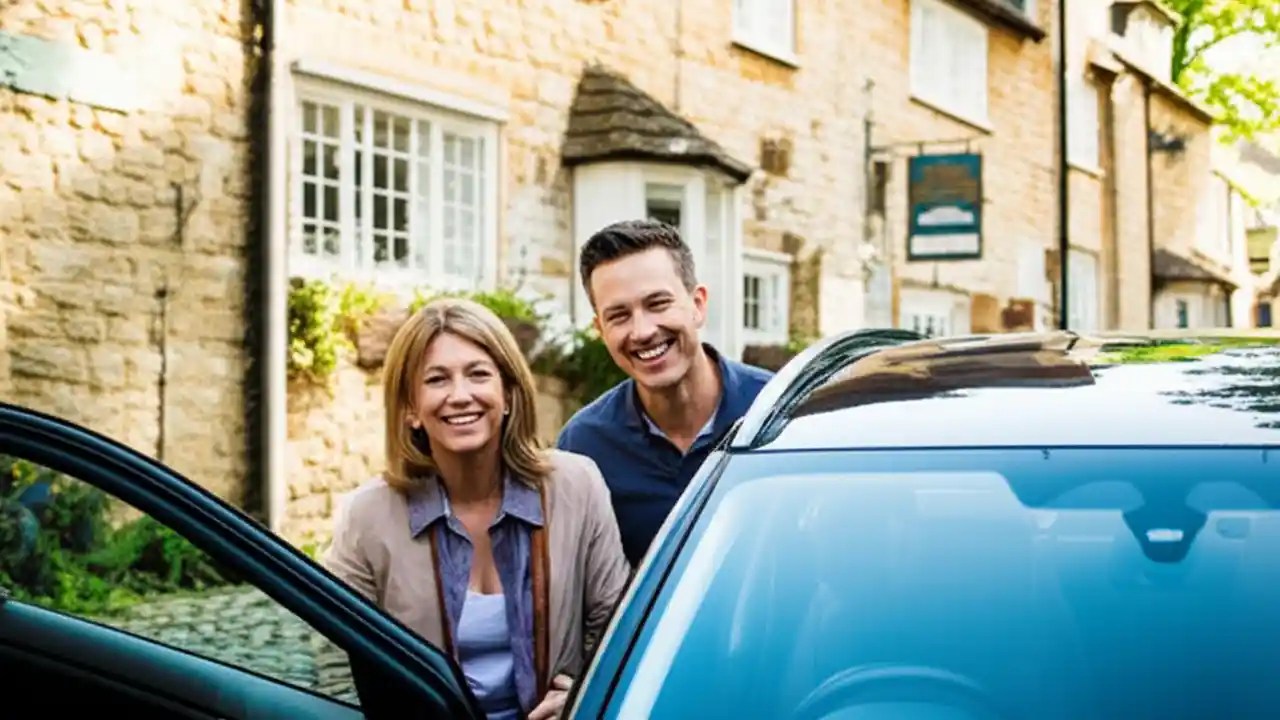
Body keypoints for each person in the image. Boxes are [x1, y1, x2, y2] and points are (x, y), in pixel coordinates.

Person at [324, 297, 629, 720]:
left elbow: (617, 630)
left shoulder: (576, 484)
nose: (460, 395)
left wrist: (584, 697)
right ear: (411, 409)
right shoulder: (369, 515)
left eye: (478, 374)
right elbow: (337, 660)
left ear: (507, 394)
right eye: (436, 380)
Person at [556, 219, 774, 567]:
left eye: (658, 303)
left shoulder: (780, 414)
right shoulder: (583, 448)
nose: (641, 331)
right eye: (619, 316)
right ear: (600, 329)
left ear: (697, 304)